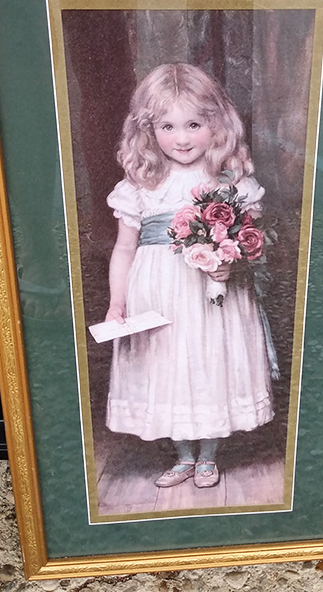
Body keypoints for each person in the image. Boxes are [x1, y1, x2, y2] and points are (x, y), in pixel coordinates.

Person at [104, 62, 275, 489]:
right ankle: (181, 454)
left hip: (212, 293)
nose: (181, 138)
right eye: (167, 126)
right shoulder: (141, 184)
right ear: (148, 130)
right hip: (158, 291)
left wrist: (230, 262)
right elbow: (124, 248)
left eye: (194, 124)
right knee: (167, 366)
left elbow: (255, 241)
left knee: (210, 361)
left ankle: (209, 455)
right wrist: (117, 302)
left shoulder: (230, 182)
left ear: (216, 124)